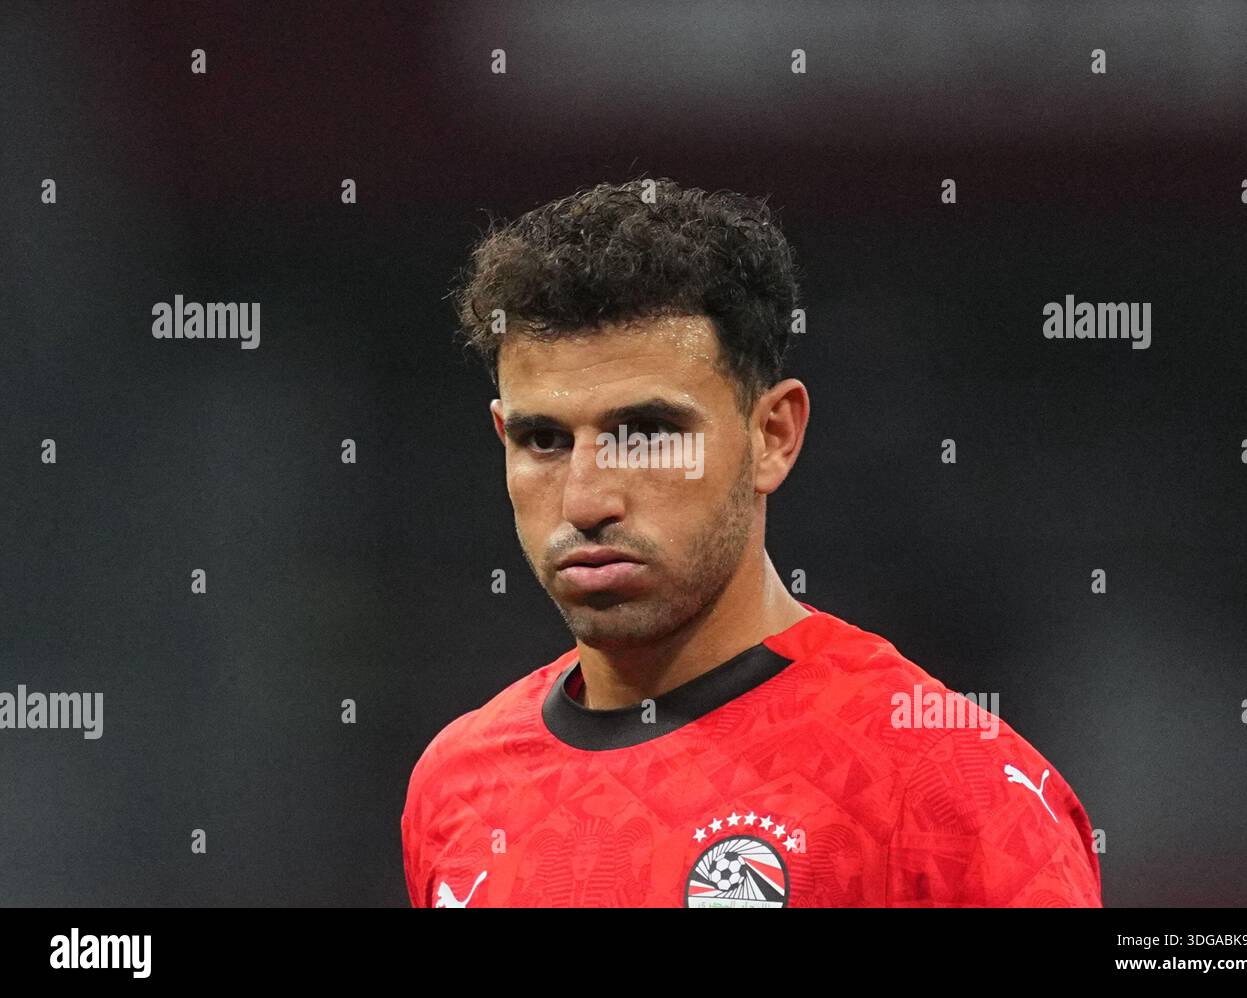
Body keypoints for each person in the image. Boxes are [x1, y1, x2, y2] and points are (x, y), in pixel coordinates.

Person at [402, 178, 1102, 907]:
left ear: (772, 436)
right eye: (543, 440)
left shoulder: (948, 785)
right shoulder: (458, 784)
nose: (586, 500)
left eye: (646, 435)